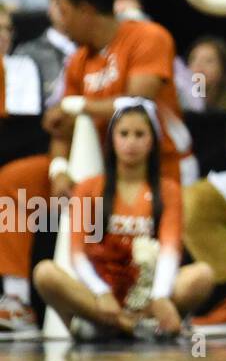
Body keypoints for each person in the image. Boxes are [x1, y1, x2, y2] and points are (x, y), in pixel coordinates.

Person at [0, 0, 194, 335]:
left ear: (86, 9)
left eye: (60, 5)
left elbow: (139, 102)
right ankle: (17, 301)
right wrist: (58, 167)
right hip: (92, 170)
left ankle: (142, 310)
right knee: (13, 182)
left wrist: (76, 105)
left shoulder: (147, 36)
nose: (53, 15)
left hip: (149, 169)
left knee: (189, 275)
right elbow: (61, 126)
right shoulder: (77, 60)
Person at [32, 100, 215, 342]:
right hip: (100, 293)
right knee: (45, 273)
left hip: (147, 292)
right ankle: (130, 326)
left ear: (152, 141)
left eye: (140, 134)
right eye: (124, 134)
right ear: (112, 140)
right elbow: (77, 253)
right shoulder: (89, 187)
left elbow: (170, 250)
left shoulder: (168, 189)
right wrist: (101, 292)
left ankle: (122, 323)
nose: (131, 142)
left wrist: (159, 295)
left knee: (202, 275)